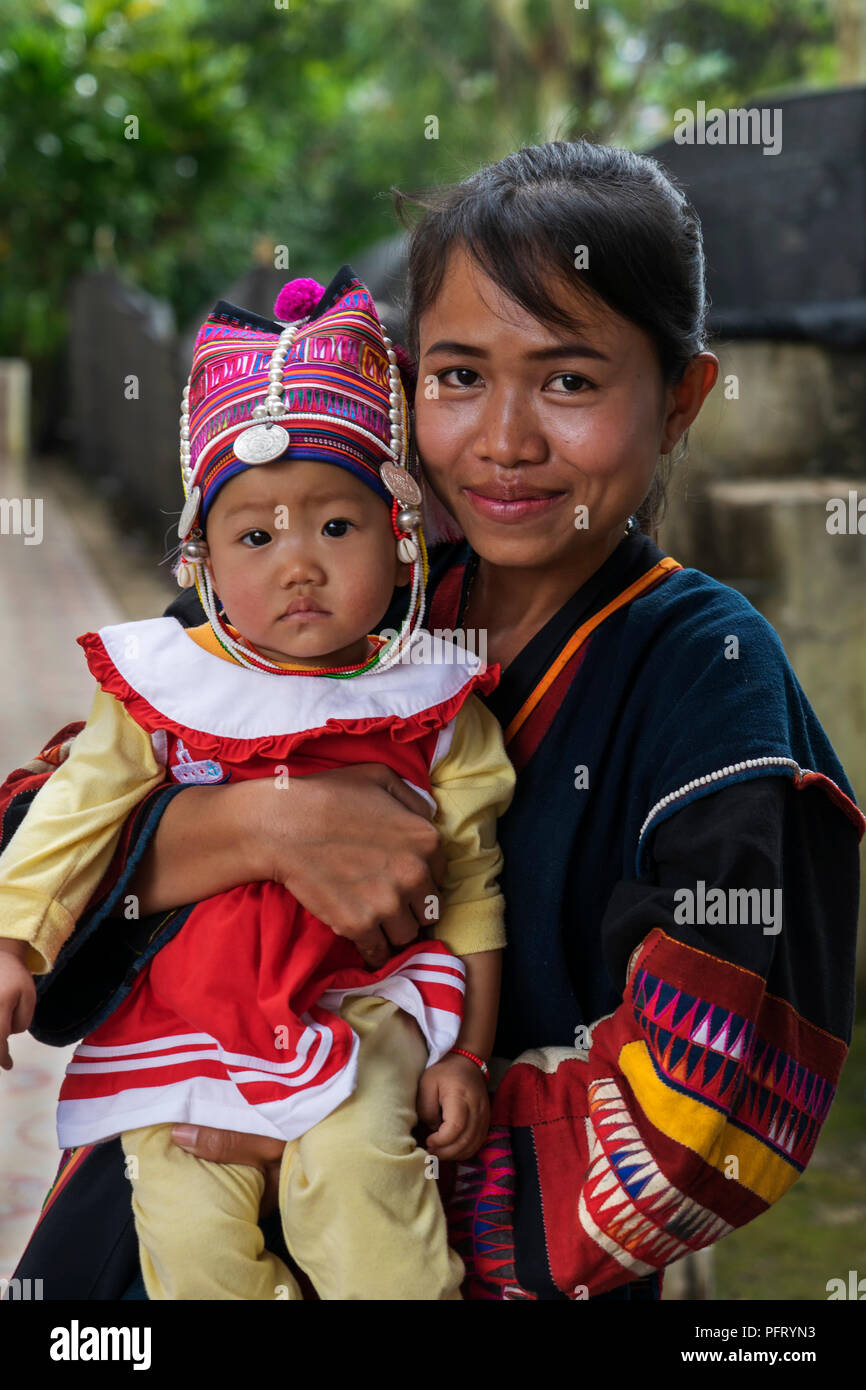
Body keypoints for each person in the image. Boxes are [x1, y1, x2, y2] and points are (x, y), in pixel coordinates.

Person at [5, 139, 863, 1302]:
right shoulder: (315, 598)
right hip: (144, 1236)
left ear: (678, 401)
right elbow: (39, 836)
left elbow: (706, 1110)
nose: (503, 438)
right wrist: (254, 828)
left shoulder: (707, 679)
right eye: (459, 377)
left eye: (567, 381)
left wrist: (339, 1145)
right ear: (406, 388)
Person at [0, 271, 516, 1300]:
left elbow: (469, 889)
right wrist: (14, 937)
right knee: (185, 1237)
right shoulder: (165, 685)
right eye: (255, 535)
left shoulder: (432, 702)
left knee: (365, 1190)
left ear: (399, 537)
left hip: (361, 1008)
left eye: (336, 526)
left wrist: (466, 1055)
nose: (299, 566)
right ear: (199, 559)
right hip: (183, 1016)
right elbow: (73, 815)